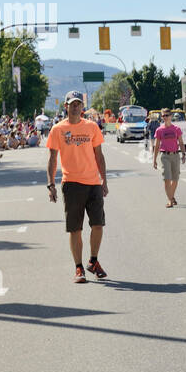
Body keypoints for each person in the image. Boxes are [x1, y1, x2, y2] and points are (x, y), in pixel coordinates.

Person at [46, 91, 109, 284]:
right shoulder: (58, 129)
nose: (75, 107)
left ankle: (93, 261)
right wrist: (51, 184)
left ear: (82, 107)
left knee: (98, 225)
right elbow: (52, 159)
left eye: (78, 104)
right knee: (76, 229)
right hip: (71, 183)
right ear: (66, 106)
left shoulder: (91, 127)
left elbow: (99, 155)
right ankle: (78, 267)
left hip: (93, 183)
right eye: (72, 104)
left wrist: (104, 180)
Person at [152, 109, 185, 208]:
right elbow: (157, 146)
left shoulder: (176, 129)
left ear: (171, 116)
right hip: (164, 156)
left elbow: (181, 142)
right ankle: (170, 200)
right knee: (167, 179)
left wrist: (183, 154)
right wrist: (154, 160)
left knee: (175, 179)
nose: (165, 117)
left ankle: (171, 196)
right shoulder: (159, 130)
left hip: (175, 155)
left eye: (167, 115)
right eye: (163, 116)